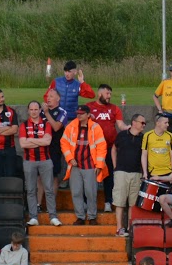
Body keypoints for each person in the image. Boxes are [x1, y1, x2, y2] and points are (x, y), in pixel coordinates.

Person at [59, 111, 108, 226]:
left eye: (82, 113)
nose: (79, 115)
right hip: (75, 165)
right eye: (78, 113)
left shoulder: (95, 127)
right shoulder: (71, 126)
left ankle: (92, 216)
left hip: (90, 165)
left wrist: (99, 165)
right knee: (76, 192)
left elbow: (102, 146)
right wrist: (70, 158)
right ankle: (80, 217)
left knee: (91, 192)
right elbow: (64, 143)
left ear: (88, 115)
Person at [45, 61, 91, 178]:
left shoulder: (77, 84)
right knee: (57, 146)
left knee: (70, 148)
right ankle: (58, 175)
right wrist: (51, 108)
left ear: (75, 72)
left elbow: (90, 94)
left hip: (71, 120)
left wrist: (82, 82)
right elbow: (47, 96)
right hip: (57, 118)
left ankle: (67, 177)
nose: (67, 74)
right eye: (65, 71)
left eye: (69, 72)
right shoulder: (57, 81)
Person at [19, 99, 61, 227]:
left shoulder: (46, 124)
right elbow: (23, 144)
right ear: (28, 111)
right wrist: (39, 141)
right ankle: (33, 217)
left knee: (49, 189)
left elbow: (47, 142)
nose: (33, 112)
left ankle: (53, 216)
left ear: (40, 110)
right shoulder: (24, 125)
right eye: (31, 110)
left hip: (45, 160)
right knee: (31, 190)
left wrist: (30, 140)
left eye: (36, 109)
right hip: (29, 161)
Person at [86, 84, 127, 212]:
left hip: (110, 148)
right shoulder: (89, 107)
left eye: (110, 94)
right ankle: (88, 203)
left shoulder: (114, 108)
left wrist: (129, 128)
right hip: (93, 149)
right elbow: (80, 122)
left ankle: (108, 202)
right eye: (107, 94)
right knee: (90, 176)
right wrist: (88, 118)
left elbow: (120, 125)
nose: (109, 96)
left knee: (109, 175)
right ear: (100, 94)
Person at [110, 114, 147, 238]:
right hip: (121, 172)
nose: (144, 125)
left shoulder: (143, 138)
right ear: (134, 122)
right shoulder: (122, 135)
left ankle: (130, 228)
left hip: (136, 173)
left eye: (144, 123)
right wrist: (115, 167)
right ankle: (119, 227)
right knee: (119, 201)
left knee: (133, 203)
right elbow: (113, 149)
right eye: (142, 123)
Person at [141, 112, 172, 190]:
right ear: (158, 123)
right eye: (165, 123)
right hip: (153, 172)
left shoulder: (170, 136)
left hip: (167, 173)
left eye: (168, 122)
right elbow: (144, 155)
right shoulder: (147, 136)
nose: (168, 125)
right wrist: (145, 172)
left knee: (165, 196)